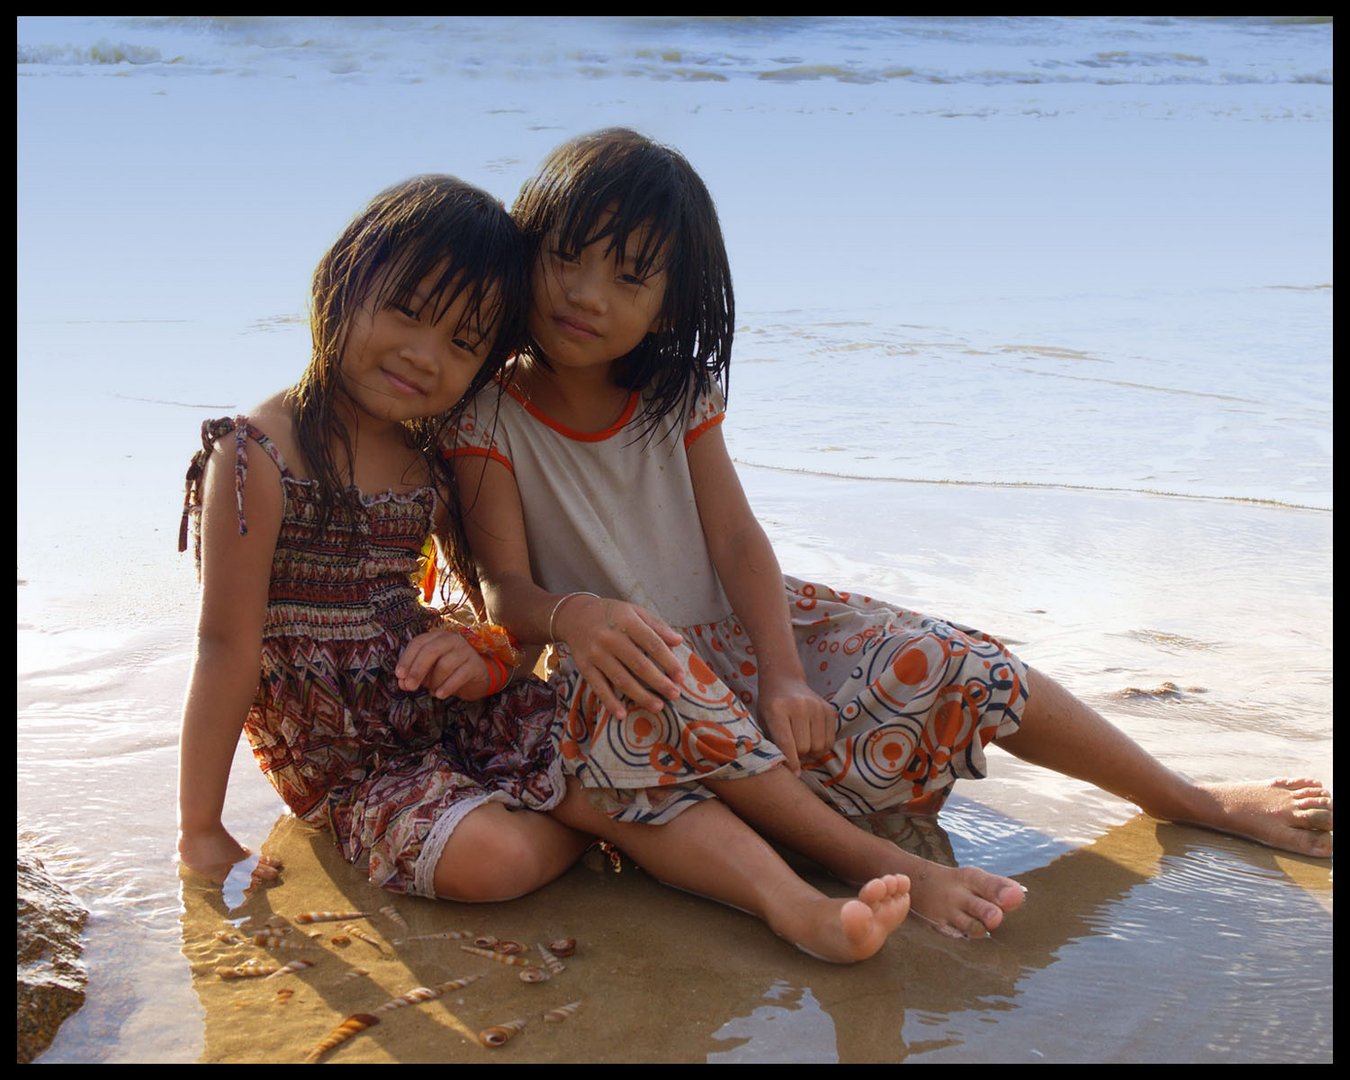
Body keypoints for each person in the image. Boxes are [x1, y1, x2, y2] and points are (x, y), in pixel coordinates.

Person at [427, 128, 1332, 945]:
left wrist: (783, 670)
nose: (585, 294)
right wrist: (578, 616)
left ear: (668, 307)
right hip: (623, 674)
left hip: (738, 641)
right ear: (528, 250)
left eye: (628, 277)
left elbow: (741, 547)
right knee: (651, 681)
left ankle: (1187, 796)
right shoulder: (491, 414)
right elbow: (506, 590)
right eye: (566, 258)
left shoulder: (675, 398)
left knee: (956, 661)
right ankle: (865, 861)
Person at [176, 175, 593, 903]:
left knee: (614, 736)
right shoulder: (256, 456)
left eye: (462, 342)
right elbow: (224, 647)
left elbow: (504, 619)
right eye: (406, 310)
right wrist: (201, 828)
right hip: (351, 765)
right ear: (341, 282)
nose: (424, 355)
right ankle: (588, 827)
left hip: (445, 708)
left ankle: (601, 810)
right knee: (492, 862)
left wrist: (479, 651)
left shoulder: (429, 460)